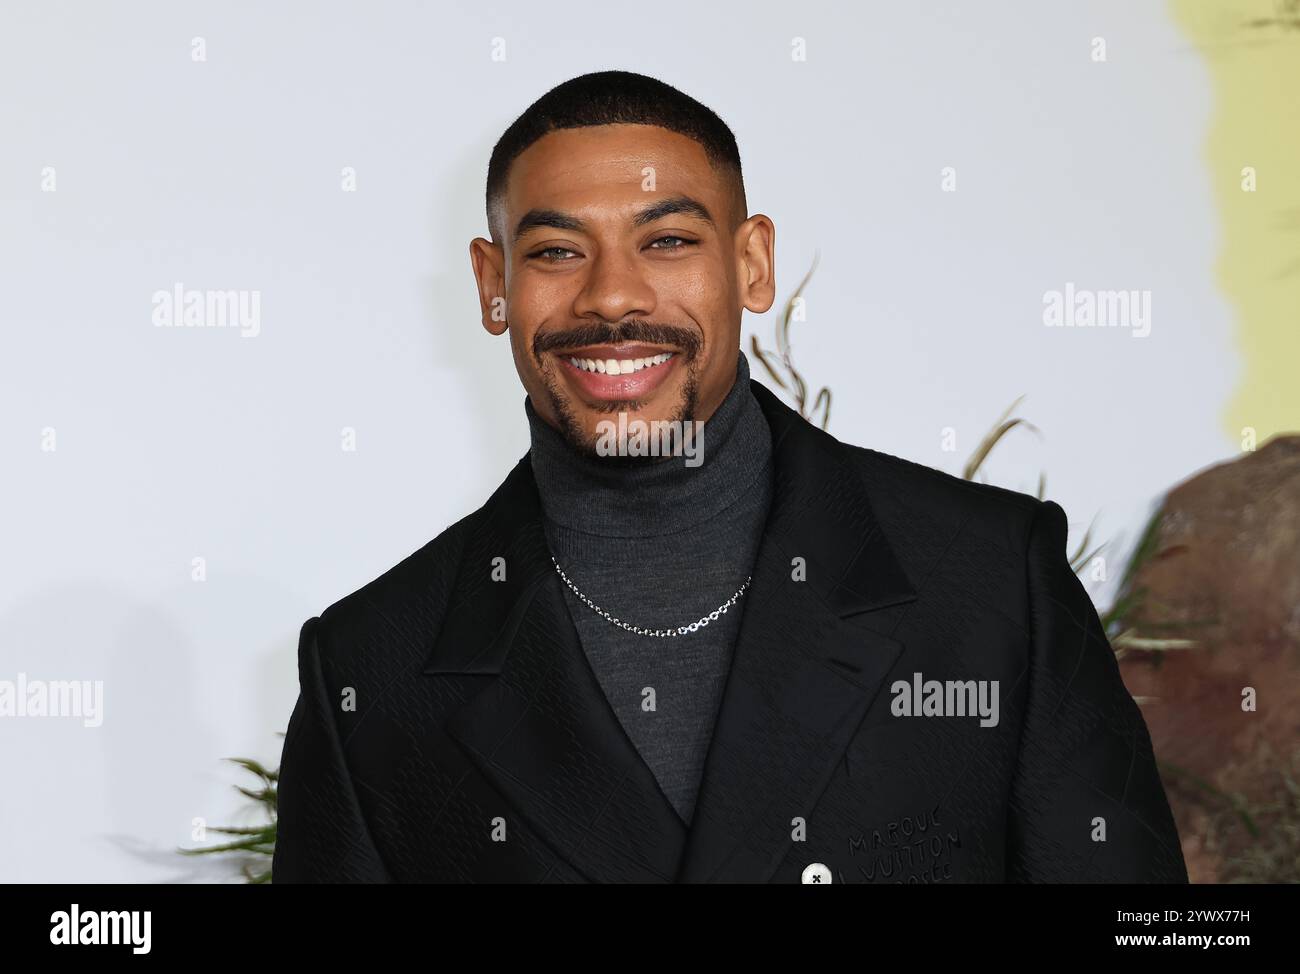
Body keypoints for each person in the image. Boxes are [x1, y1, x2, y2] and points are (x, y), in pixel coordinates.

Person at [272, 70, 1187, 883]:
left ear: (750, 264)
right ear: (491, 284)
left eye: (666, 241)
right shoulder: (369, 668)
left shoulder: (990, 584)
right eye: (555, 251)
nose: (613, 296)